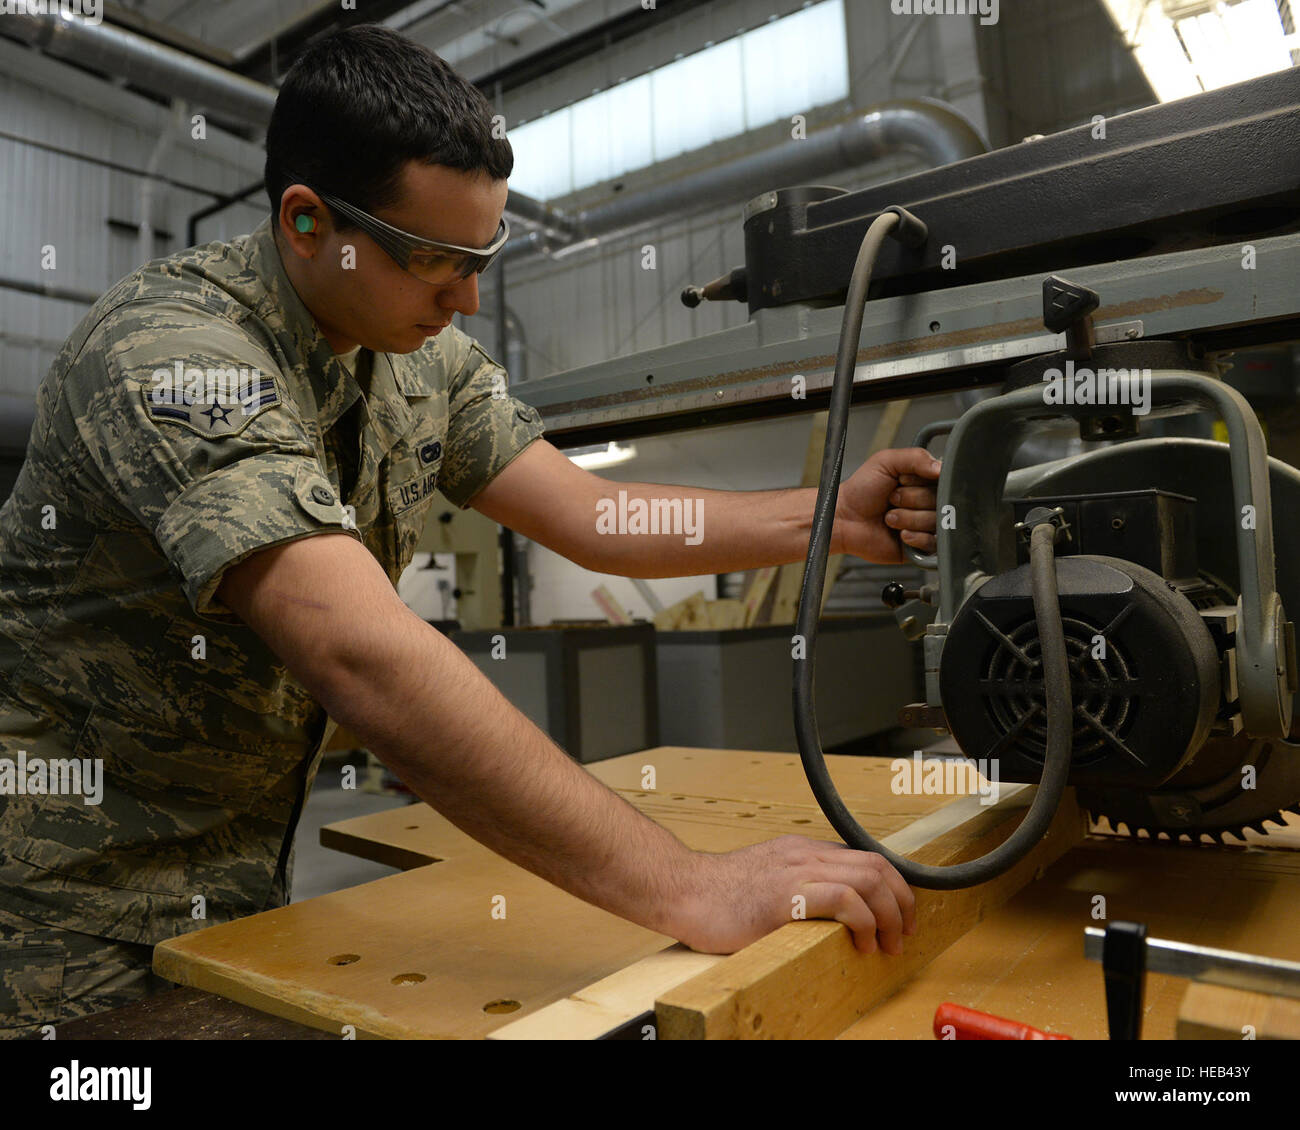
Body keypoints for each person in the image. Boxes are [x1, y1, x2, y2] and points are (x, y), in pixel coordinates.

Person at [0, 24, 939, 1037]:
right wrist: (687, 884)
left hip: (235, 883)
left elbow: (593, 514)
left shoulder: (418, 359)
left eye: (481, 256)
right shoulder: (175, 354)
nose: (470, 297)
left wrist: (823, 517)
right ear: (309, 223)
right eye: (434, 260)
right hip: (62, 909)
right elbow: (358, 652)